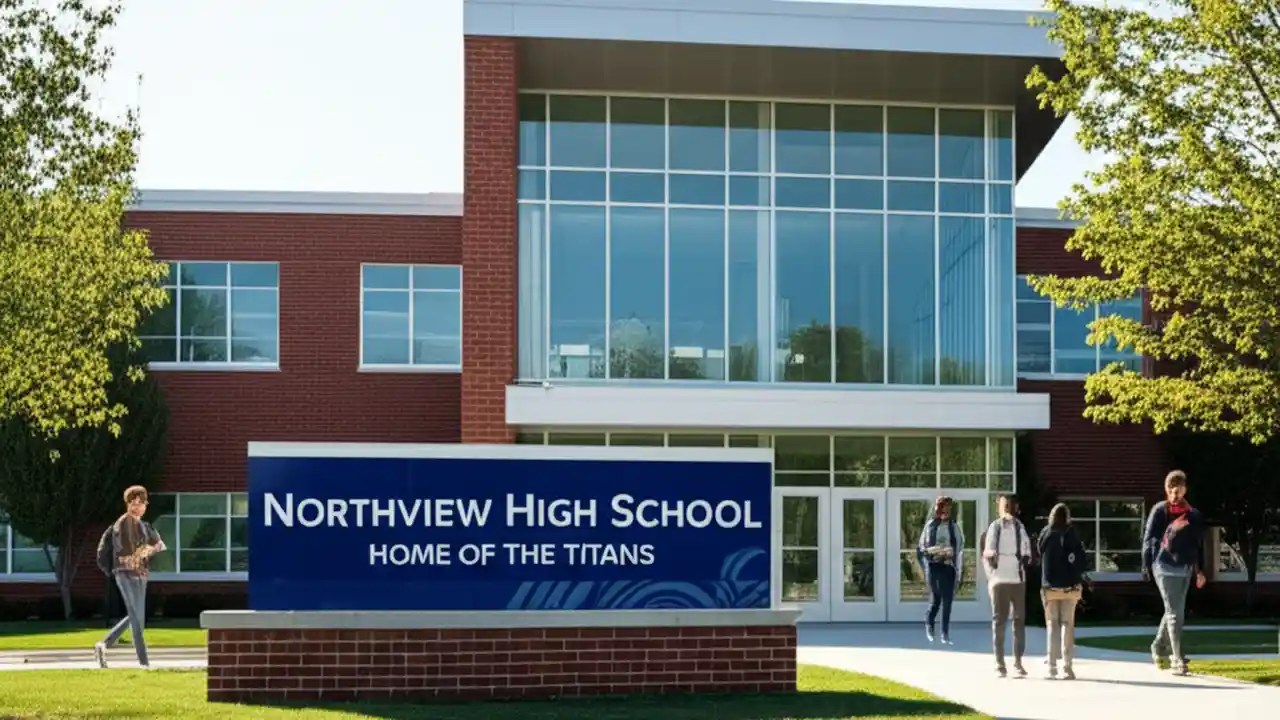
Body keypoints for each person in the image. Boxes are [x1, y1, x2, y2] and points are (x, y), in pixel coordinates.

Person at [1142, 469, 1206, 676]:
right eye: (1170, 489)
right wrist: (1146, 565)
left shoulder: (1193, 515)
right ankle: (1177, 659)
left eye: (1177, 489)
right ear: (1166, 489)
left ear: (1185, 489)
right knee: (1174, 614)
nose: (1174, 493)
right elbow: (1149, 538)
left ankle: (1158, 646)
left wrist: (1200, 570)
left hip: (1185, 567)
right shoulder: (1160, 510)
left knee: (1175, 610)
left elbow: (1198, 545)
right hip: (1163, 566)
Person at [95, 485, 165, 669]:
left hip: (141, 573)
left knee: (137, 617)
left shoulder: (144, 525)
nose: (138, 506)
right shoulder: (123, 524)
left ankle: (104, 644)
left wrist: (147, 550)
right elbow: (125, 554)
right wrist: (145, 551)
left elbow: (159, 545)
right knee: (136, 617)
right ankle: (144, 663)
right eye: (134, 503)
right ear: (128, 504)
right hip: (125, 573)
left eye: (141, 503)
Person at [982, 495, 1031, 678]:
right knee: (999, 622)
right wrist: (992, 576)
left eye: (1011, 505)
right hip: (1000, 580)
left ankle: (1018, 662)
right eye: (1005, 505)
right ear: (1000, 507)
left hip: (1017, 580)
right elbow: (987, 552)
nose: (1009, 508)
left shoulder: (1020, 528)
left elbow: (1027, 550)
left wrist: (1024, 561)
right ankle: (999, 663)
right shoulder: (994, 527)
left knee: (1019, 621)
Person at [1038, 503, 1088, 680]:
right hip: (1069, 587)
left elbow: (1039, 552)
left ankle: (1051, 667)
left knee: (1052, 624)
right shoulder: (1071, 533)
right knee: (1068, 625)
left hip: (1049, 587)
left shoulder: (1046, 533)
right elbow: (1080, 559)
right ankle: (1067, 667)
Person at [917, 496, 963, 644]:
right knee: (936, 599)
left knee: (948, 600)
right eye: (943, 508)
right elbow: (922, 546)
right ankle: (929, 623)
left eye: (948, 508)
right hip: (933, 566)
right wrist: (930, 552)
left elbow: (959, 544)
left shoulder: (953, 526)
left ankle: (945, 633)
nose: (945, 511)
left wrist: (951, 552)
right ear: (938, 508)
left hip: (948, 566)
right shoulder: (930, 525)